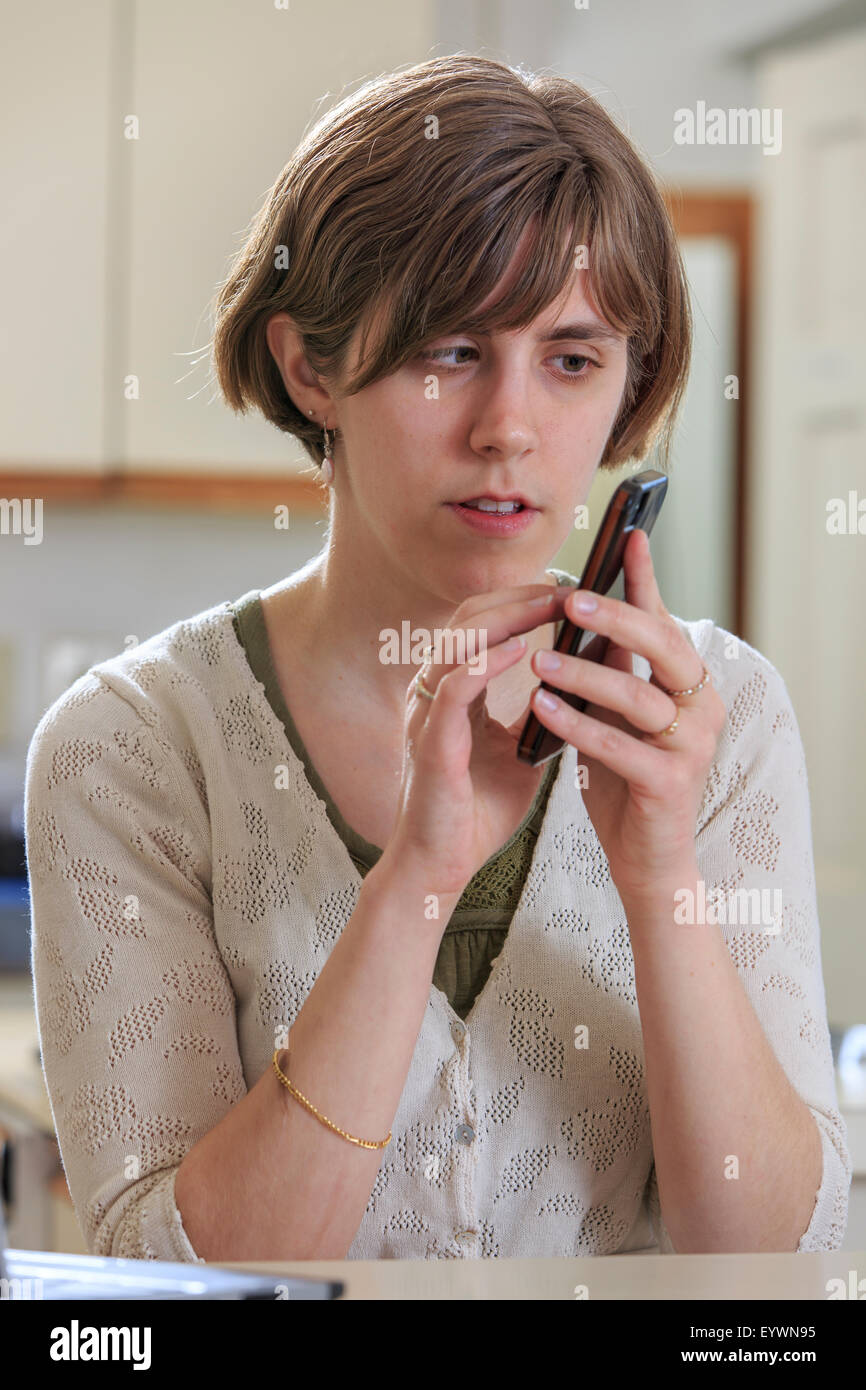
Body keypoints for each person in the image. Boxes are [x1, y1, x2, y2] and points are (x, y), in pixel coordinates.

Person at [24, 54, 849, 1264]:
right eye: (450, 351)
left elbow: (780, 1267)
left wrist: (662, 875)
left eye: (570, 360)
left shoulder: (719, 721)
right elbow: (171, 1283)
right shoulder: (133, 745)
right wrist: (414, 881)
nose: (508, 426)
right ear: (309, 363)